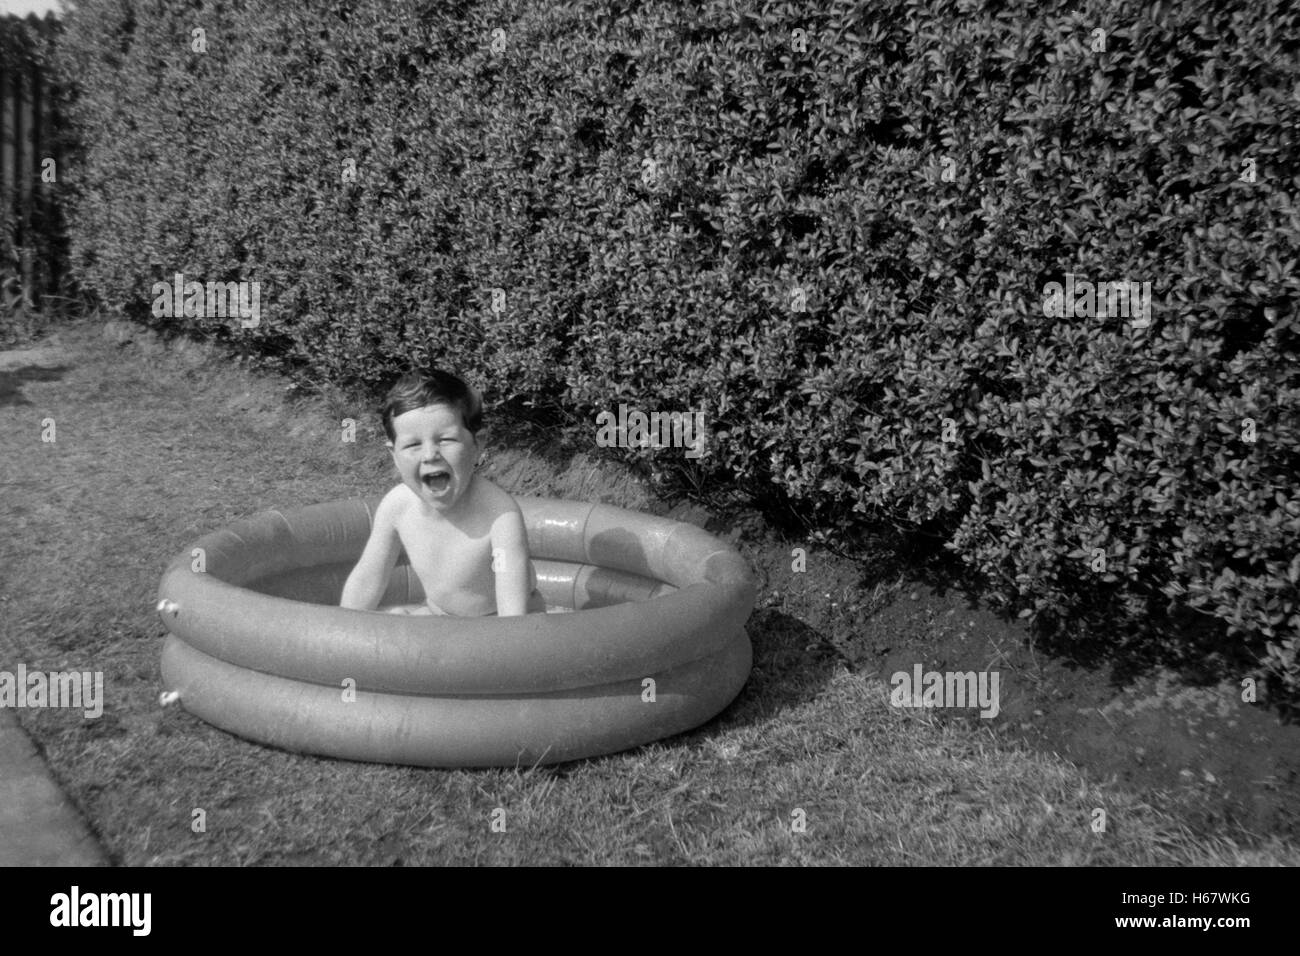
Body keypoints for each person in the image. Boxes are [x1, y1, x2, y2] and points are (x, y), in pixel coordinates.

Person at [340, 370, 545, 617]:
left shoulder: (499, 516)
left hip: (495, 625)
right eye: (413, 445)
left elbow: (513, 609)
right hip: (441, 618)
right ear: (393, 455)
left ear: (477, 443)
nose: (429, 455)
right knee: (394, 618)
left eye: (446, 439)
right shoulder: (397, 507)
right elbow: (368, 577)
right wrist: (343, 631)